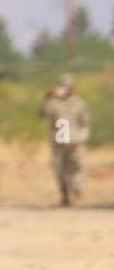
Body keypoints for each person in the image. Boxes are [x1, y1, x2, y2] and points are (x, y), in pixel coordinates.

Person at [39, 72, 89, 206]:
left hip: (74, 143)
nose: (65, 89)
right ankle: (65, 196)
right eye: (62, 86)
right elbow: (42, 114)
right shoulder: (54, 103)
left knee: (75, 169)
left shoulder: (79, 103)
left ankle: (77, 193)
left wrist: (79, 141)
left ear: (72, 87)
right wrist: (47, 97)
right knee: (59, 169)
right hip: (58, 144)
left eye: (67, 86)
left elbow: (85, 125)